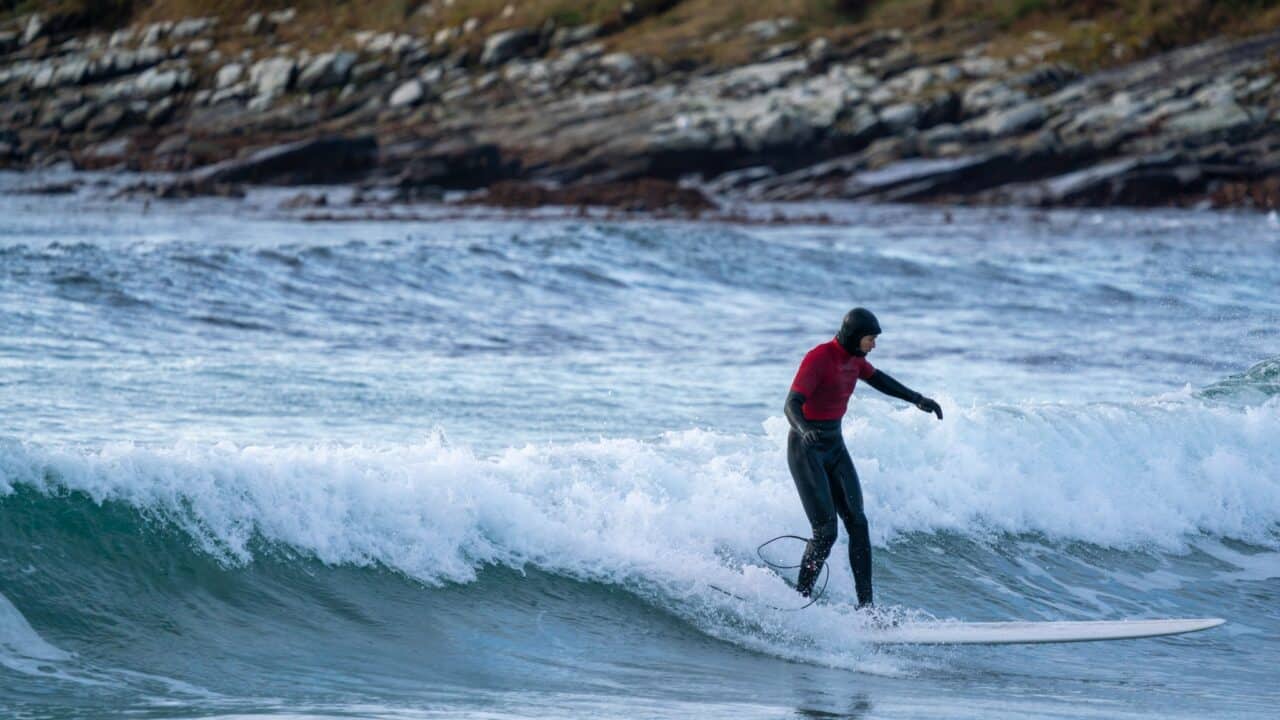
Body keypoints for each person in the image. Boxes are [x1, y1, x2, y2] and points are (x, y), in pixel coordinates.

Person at [784, 308, 942, 608]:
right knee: (826, 532)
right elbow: (791, 403)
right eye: (871, 339)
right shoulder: (818, 358)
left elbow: (880, 380)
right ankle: (799, 600)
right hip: (806, 448)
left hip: (834, 445)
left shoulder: (855, 362)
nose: (874, 345)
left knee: (858, 522)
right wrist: (804, 429)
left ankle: (866, 609)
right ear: (855, 336)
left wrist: (917, 399)